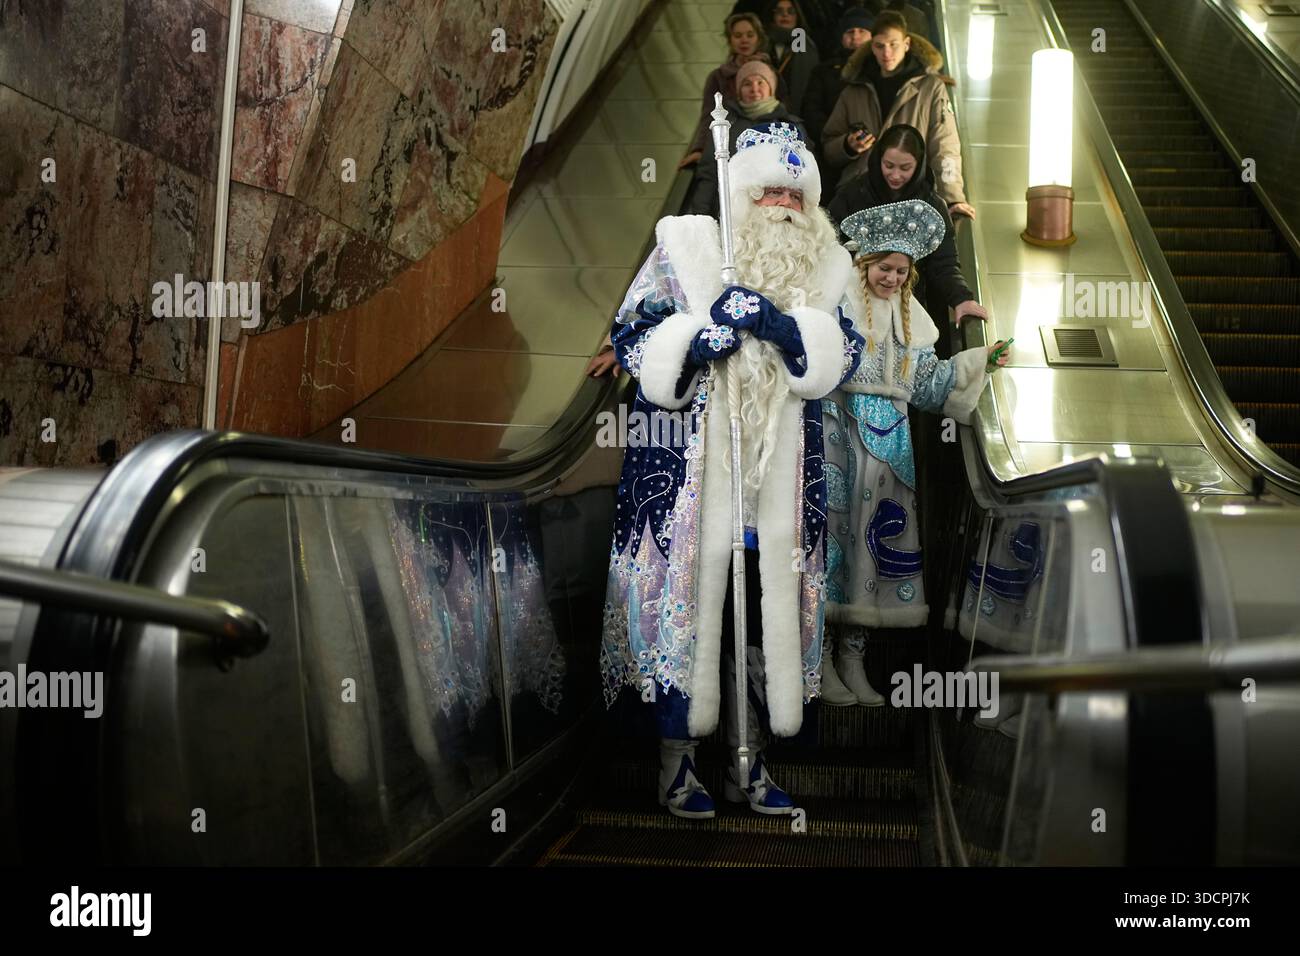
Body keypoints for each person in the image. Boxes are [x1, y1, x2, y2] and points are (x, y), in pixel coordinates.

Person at [599, 123, 866, 819]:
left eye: (795, 192)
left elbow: (850, 351)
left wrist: (782, 328)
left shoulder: (831, 265)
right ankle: (677, 764)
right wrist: (695, 340)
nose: (783, 203)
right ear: (738, 193)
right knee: (691, 611)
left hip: (780, 479)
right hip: (689, 475)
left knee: (761, 618)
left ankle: (752, 761)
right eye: (769, 190)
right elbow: (632, 331)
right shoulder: (686, 249)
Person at [817, 198, 1008, 706]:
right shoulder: (835, 307)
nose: (893, 278)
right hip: (838, 436)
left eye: (902, 271)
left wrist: (976, 363)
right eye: (884, 268)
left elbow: (928, 385)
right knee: (834, 539)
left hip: (890, 451)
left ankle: (853, 658)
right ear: (864, 265)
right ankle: (819, 659)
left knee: (874, 545)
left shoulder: (914, 323)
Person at [829, 124, 986, 325]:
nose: (895, 175)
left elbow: (944, 263)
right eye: (889, 165)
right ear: (878, 160)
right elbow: (829, 245)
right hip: (855, 306)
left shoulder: (932, 205)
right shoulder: (853, 194)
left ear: (918, 165)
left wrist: (961, 298)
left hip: (908, 310)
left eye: (905, 168)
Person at [822, 10, 972, 216]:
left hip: (909, 196)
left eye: (893, 44)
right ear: (871, 47)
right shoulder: (854, 89)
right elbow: (829, 146)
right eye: (879, 46)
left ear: (906, 44)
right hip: (858, 195)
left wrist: (952, 197)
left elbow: (945, 145)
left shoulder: (930, 88)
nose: (886, 53)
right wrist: (848, 145)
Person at [687, 59, 808, 218]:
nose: (754, 89)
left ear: (771, 88)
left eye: (760, 82)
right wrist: (699, 216)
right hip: (729, 214)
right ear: (739, 90)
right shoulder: (724, 124)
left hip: (775, 216)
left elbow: (804, 177)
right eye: (747, 84)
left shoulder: (789, 126)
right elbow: (710, 172)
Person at [679, 13, 783, 170]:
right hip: (730, 151)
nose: (744, 40)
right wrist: (700, 149)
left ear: (758, 38)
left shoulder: (772, 73)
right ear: (730, 40)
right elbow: (709, 116)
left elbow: (784, 109)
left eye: (750, 35)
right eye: (738, 35)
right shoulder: (718, 77)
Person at [801, 6, 874, 169]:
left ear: (872, 36)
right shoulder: (823, 72)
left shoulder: (880, 70)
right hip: (834, 155)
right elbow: (811, 111)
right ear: (841, 37)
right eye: (850, 32)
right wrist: (839, 139)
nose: (855, 36)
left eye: (861, 31)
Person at [766, 0, 820, 115]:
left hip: (796, 113)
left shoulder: (804, 44)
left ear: (798, 16)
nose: (785, 15)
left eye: (791, 11)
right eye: (779, 11)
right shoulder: (763, 42)